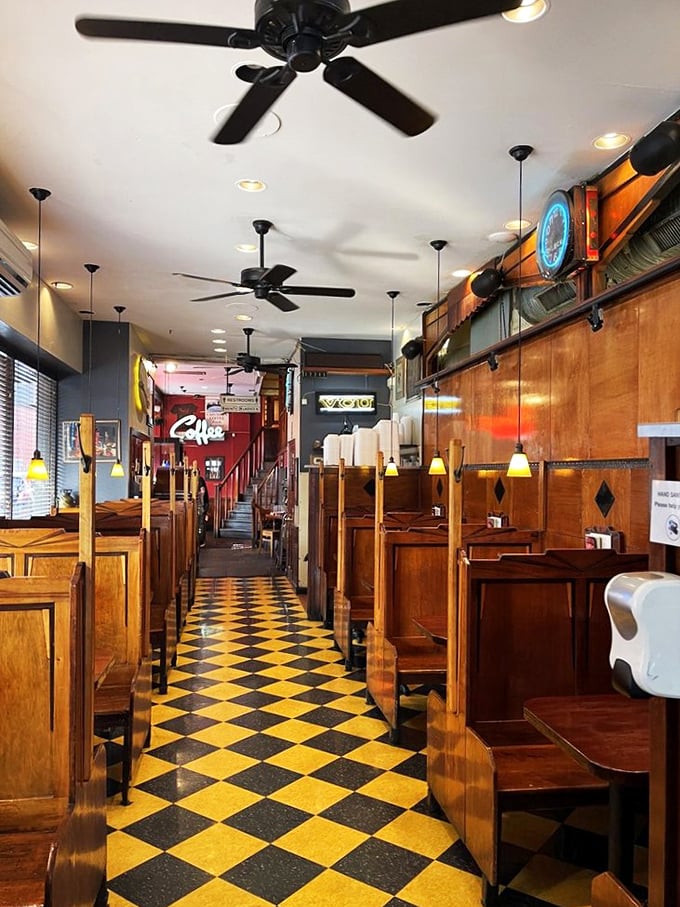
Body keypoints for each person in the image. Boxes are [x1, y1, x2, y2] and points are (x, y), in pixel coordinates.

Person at [197, 473, 210, 547]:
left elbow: (203, 491)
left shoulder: (199, 479)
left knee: (201, 523)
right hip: (202, 504)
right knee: (200, 523)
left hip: (203, 505)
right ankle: (200, 541)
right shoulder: (199, 479)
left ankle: (201, 541)